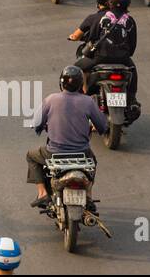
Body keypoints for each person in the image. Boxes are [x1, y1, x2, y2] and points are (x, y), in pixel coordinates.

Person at [26, 66, 108, 209]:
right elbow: (102, 126)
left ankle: (42, 193)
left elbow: (37, 122)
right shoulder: (88, 101)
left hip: (54, 153)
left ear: (61, 83)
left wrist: (38, 127)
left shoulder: (51, 99)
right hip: (82, 153)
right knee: (92, 162)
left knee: (31, 156)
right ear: (80, 84)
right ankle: (88, 195)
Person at [74, 0, 139, 110]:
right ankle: (132, 99)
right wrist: (125, 55)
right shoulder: (130, 20)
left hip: (100, 58)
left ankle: (82, 97)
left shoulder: (100, 17)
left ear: (111, 3)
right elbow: (132, 45)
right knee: (133, 71)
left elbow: (92, 37)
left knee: (77, 68)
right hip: (123, 59)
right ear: (129, 4)